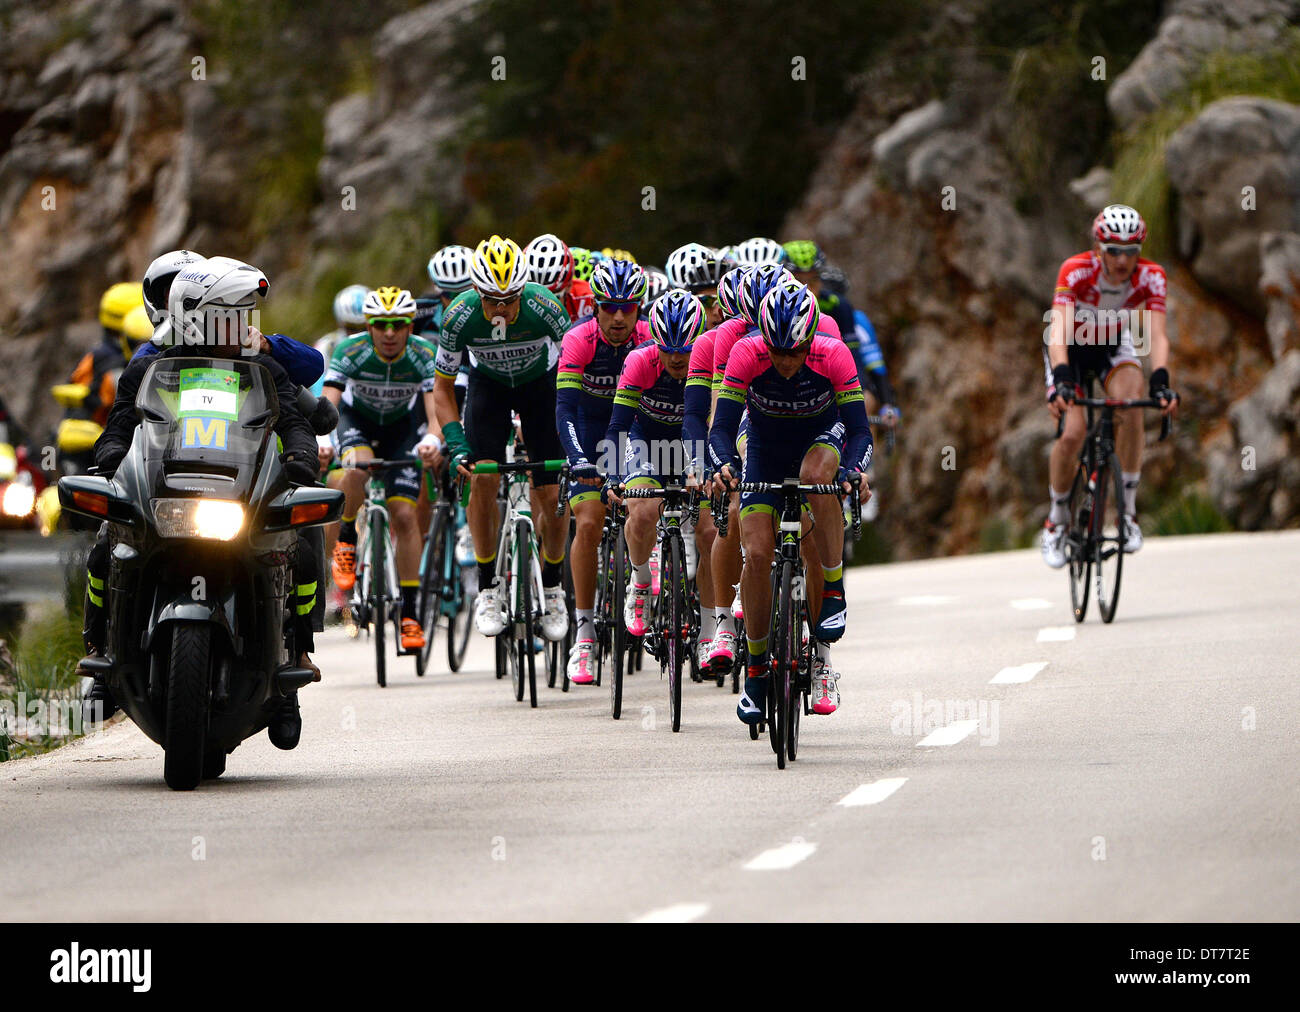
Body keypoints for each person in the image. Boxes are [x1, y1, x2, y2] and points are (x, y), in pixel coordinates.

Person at [81, 258, 322, 750]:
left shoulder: (261, 363)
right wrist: (108, 458)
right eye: (234, 315)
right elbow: (121, 421)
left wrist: (300, 457)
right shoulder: (149, 361)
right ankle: (100, 656)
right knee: (106, 541)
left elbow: (296, 419)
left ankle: (296, 653)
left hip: (240, 490)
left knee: (304, 536)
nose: (244, 326)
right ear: (199, 315)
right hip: (165, 488)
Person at [708, 281, 872, 722]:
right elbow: (721, 426)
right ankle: (758, 670)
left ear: (810, 338)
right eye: (776, 351)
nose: (783, 363)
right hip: (764, 442)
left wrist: (854, 471)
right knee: (758, 554)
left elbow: (859, 430)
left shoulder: (832, 354)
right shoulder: (747, 353)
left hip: (821, 436)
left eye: (793, 353)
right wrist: (722, 464)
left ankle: (832, 595)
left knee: (815, 479)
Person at [433, 236, 572, 642]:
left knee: (550, 490)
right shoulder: (458, 317)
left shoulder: (546, 306)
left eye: (510, 299)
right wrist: (457, 442)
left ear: (523, 290)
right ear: (475, 291)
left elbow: (573, 370)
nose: (500, 309)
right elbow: (442, 390)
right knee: (483, 476)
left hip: (540, 386)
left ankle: (552, 584)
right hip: (489, 389)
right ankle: (488, 587)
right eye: (491, 299)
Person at [1040, 204, 1178, 568]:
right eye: (1113, 250)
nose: (1121, 260)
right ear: (1099, 248)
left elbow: (1158, 336)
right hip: (1070, 347)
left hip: (1112, 346)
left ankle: (1128, 514)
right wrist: (1063, 379)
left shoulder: (1152, 277)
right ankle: (1055, 520)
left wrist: (1162, 379)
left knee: (1131, 406)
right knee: (1072, 434)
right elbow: (1058, 334)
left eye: (1131, 251)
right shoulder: (1076, 270)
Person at [322, 287, 444, 650]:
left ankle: (410, 614)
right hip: (355, 421)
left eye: (397, 325)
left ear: (409, 326)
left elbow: (435, 412)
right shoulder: (350, 350)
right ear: (370, 326)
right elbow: (328, 404)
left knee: (405, 516)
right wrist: (323, 439)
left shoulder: (424, 354)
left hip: (401, 431)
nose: (389, 333)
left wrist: (434, 441)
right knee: (357, 468)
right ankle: (346, 538)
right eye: (381, 325)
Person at [555, 258, 653, 683]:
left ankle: (638, 580)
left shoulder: (651, 339)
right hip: (588, 433)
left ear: (639, 309)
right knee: (589, 522)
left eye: (628, 308)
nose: (618, 317)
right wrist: (579, 459)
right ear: (595, 306)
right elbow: (565, 410)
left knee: (642, 506)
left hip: (636, 434)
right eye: (609, 306)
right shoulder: (579, 340)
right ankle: (584, 632)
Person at [604, 290, 705, 640]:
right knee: (642, 508)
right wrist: (615, 476)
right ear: (655, 343)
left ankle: (710, 623)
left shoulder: (709, 360)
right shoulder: (639, 360)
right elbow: (617, 425)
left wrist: (704, 466)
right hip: (645, 440)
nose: (676, 359)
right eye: (668, 350)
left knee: (709, 513)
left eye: (684, 350)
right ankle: (642, 582)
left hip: (692, 441)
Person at [525, 234, 595, 321]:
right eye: (534, 298)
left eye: (553, 298)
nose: (543, 307)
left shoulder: (587, 297)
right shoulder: (513, 304)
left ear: (569, 286)